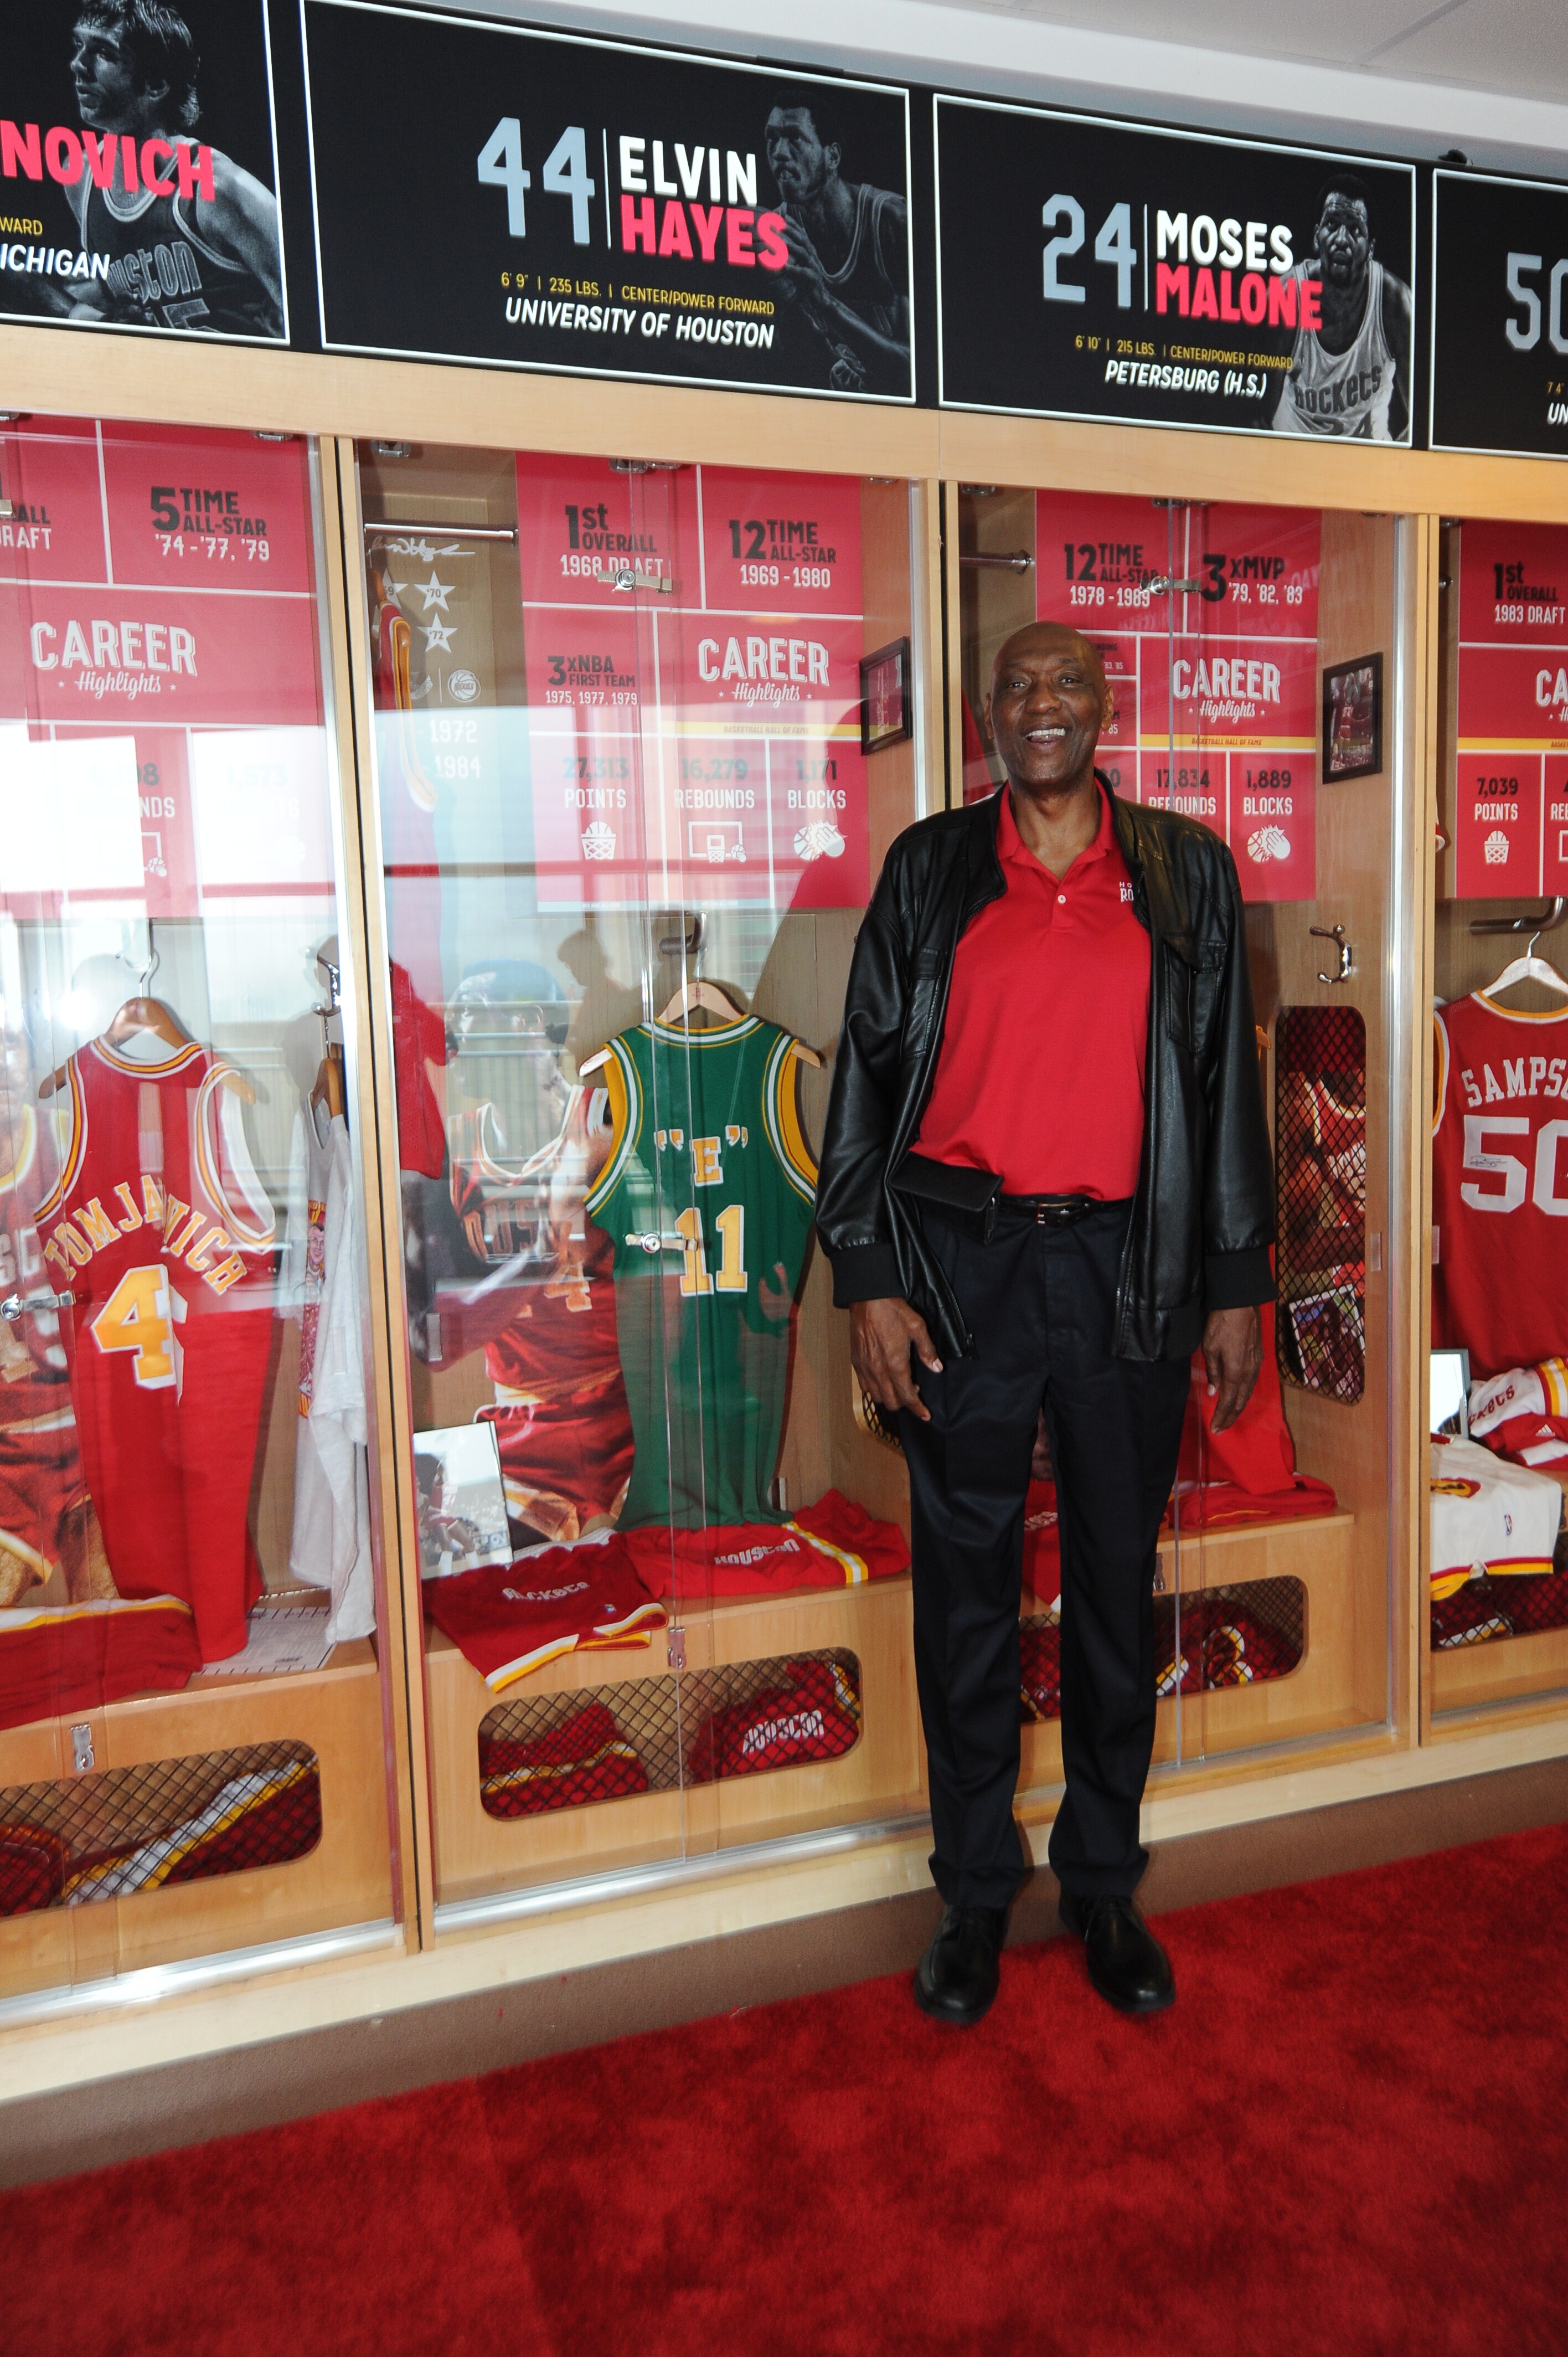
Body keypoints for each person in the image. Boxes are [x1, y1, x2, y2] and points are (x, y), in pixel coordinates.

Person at [816, 624, 1274, 2025]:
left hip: (1131, 1270)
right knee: (965, 1588)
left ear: (1105, 706)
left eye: (1067, 683)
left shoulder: (1186, 872)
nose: (1043, 706)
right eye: (1017, 688)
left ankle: (1100, 1883)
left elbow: (1224, 1088)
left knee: (1112, 1585)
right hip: (964, 1272)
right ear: (986, 717)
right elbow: (863, 1082)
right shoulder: (930, 870)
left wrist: (1236, 1283)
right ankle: (971, 1892)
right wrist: (867, 1275)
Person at [56, 0, 283, 337]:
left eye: (103, 53)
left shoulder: (224, 190)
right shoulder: (81, 176)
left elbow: (312, 315)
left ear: (156, 85)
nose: (78, 64)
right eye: (80, 45)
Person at [762, 103, 909, 395]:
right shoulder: (774, 232)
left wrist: (825, 302)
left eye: (794, 138)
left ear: (832, 157)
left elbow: (923, 371)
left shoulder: (891, 220)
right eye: (772, 138)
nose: (779, 152)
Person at [1272, 175, 1412, 441]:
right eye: (1332, 224)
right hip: (1293, 447)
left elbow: (1424, 423)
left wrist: (1388, 461)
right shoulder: (1288, 294)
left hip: (1367, 456)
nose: (1341, 240)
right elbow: (1255, 416)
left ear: (1370, 248)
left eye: (1355, 229)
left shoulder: (1395, 302)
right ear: (1317, 237)